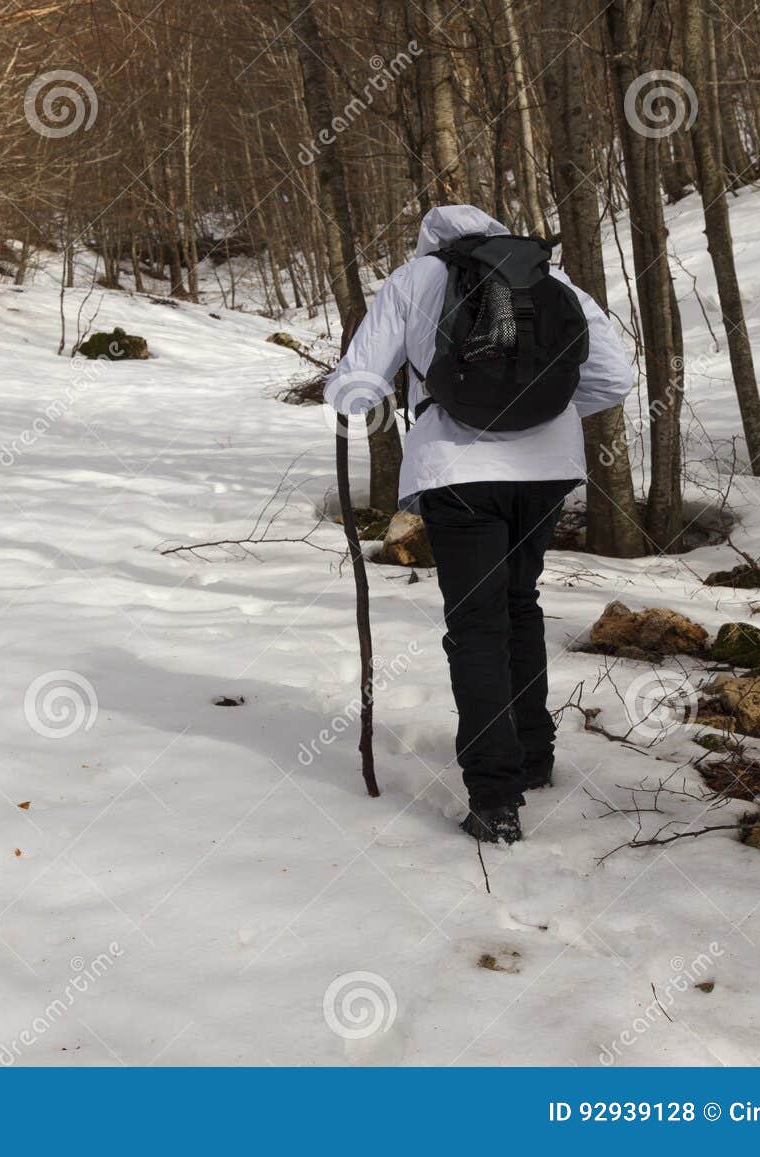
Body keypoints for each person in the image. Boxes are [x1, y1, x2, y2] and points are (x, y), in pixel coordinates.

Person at [324, 205, 633, 844]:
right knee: (520, 605)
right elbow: (613, 377)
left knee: (477, 625)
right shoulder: (549, 278)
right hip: (546, 471)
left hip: (456, 473)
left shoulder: (413, 280)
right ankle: (533, 757)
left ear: (432, 241)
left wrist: (363, 397)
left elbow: (356, 383)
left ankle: (495, 799)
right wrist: (535, 408)